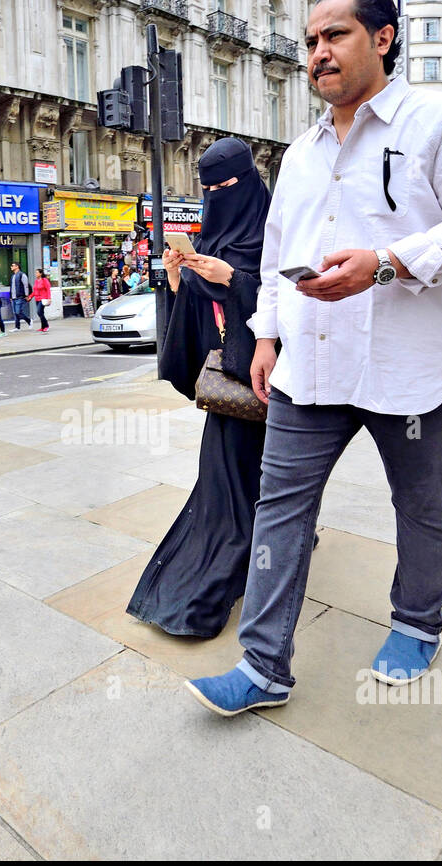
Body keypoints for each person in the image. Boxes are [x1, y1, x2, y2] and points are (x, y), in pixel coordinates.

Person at [183, 0, 442, 715]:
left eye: (335, 34)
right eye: (310, 40)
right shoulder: (301, 151)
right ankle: (263, 664)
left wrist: (389, 262)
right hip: (310, 365)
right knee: (280, 509)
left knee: (422, 506)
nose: (318, 53)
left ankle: (417, 623)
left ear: (384, 37)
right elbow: (278, 256)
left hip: (409, 366)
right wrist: (268, 338)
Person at [127, 138, 272, 640]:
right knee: (228, 485)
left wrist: (236, 279)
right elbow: (198, 320)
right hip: (233, 386)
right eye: (207, 190)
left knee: (261, 485)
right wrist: (175, 279)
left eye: (226, 187)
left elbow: (293, 299)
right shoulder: (214, 237)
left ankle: (211, 591)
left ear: (249, 184)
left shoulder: (277, 231)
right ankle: (200, 588)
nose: (217, 197)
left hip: (274, 382)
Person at [8, 261, 32, 330]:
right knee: (15, 313)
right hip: (13, 297)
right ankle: (17, 327)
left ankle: (29, 320)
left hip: (20, 297)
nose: (11, 267)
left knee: (18, 312)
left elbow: (26, 286)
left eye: (12, 265)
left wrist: (26, 295)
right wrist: (11, 296)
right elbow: (12, 287)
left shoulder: (22, 275)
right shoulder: (13, 276)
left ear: (17, 266)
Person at [29, 267, 51, 331]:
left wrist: (49, 298)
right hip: (37, 299)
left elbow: (48, 289)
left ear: (40, 274)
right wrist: (30, 296)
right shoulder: (36, 281)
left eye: (37, 272)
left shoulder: (44, 280)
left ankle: (46, 326)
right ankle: (43, 327)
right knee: (41, 313)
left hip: (43, 299)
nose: (35, 274)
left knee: (39, 312)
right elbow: (35, 291)